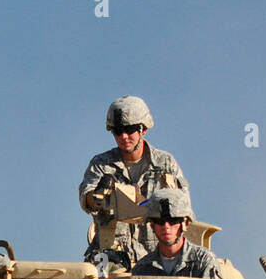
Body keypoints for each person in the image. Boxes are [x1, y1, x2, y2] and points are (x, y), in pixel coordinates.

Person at [78, 96, 189, 270]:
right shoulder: (101, 164)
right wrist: (99, 196)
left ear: (143, 129)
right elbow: (86, 200)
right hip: (108, 257)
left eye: (130, 130)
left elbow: (183, 208)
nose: (124, 136)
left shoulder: (165, 164)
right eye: (117, 131)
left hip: (155, 258)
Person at [129, 186, 222, 279]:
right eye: (160, 221)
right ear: (152, 225)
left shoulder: (203, 261)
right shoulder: (142, 268)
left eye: (173, 220)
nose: (166, 226)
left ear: (185, 224)